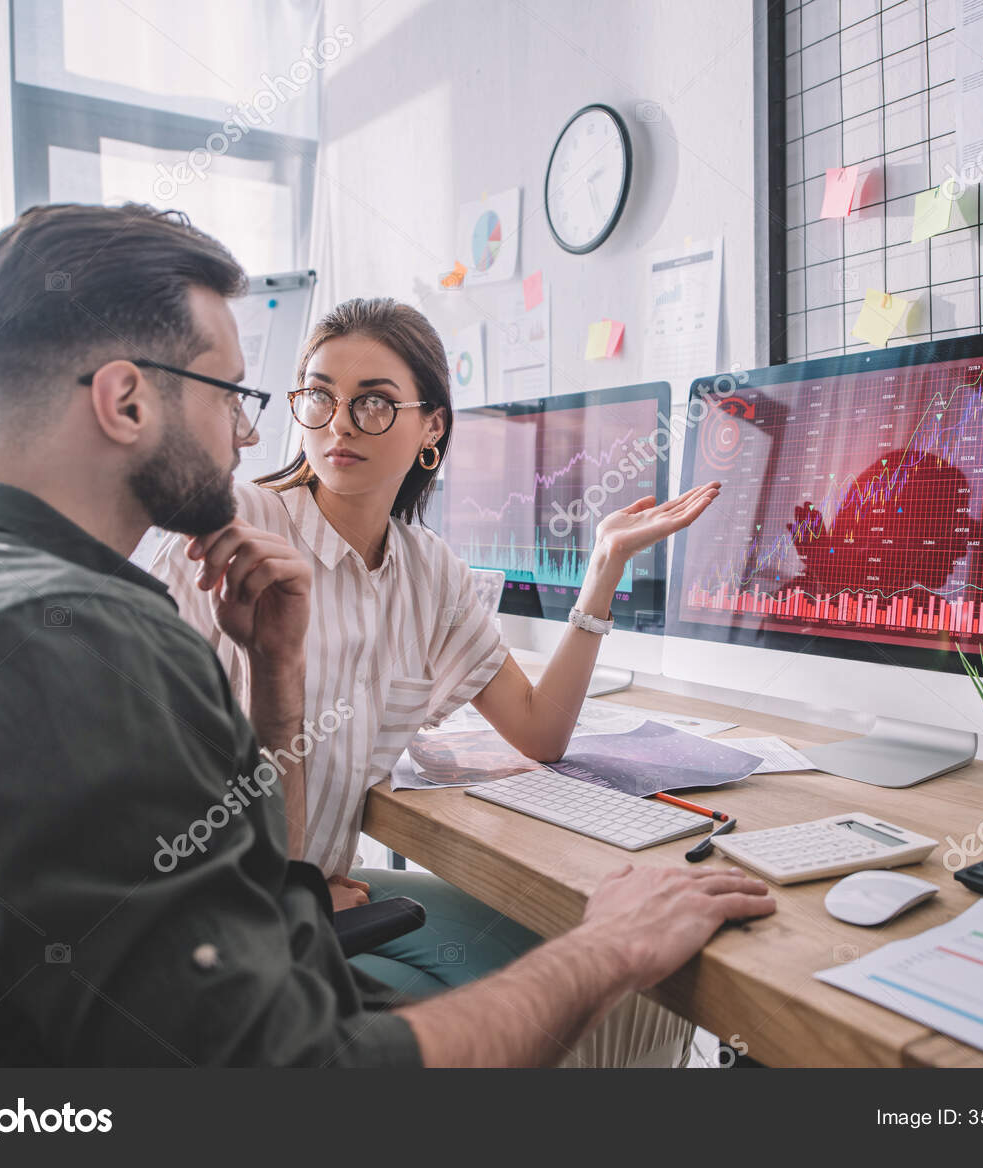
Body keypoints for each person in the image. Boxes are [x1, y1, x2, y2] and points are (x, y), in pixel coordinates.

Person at [0, 203, 773, 1067]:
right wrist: (608, 948)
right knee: (610, 987)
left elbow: (229, 901)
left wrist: (275, 671)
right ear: (125, 399)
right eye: (236, 397)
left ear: (429, 427)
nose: (253, 435)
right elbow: (288, 1077)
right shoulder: (60, 640)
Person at [150, 300, 720, 1054]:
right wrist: (295, 892)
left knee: (629, 971)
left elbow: (540, 733)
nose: (340, 423)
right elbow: (156, 776)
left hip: (319, 893)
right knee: (581, 988)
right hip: (230, 913)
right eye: (320, 396)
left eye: (376, 402)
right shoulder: (233, 528)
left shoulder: (430, 571)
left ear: (433, 428)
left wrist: (603, 568)